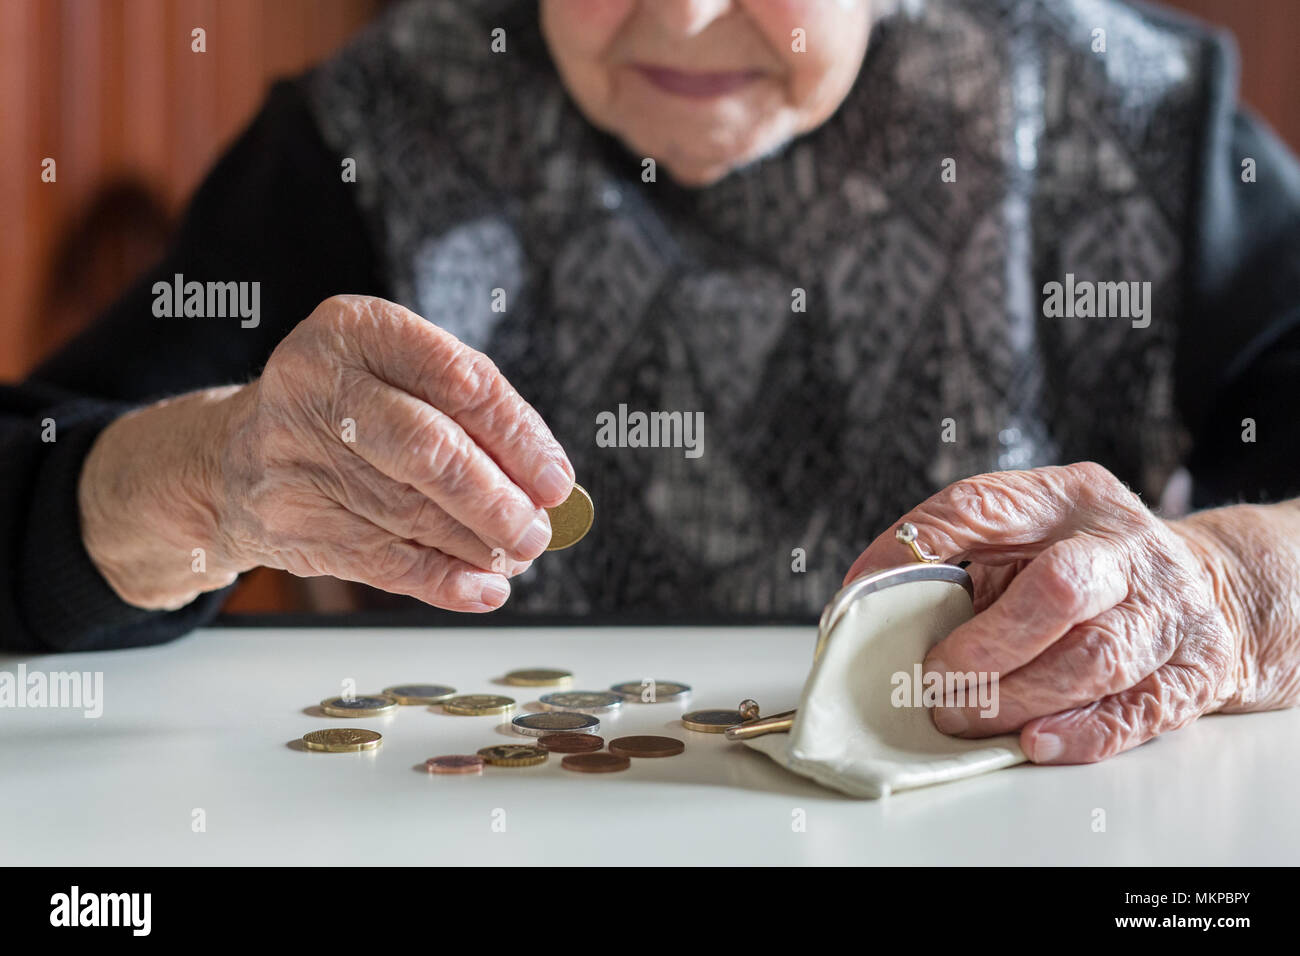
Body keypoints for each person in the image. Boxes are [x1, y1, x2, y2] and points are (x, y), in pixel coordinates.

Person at [2, 0, 1298, 766]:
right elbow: (32, 484)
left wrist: (1236, 588)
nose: (677, 17)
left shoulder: (1136, 121)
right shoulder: (370, 133)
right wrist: (202, 476)